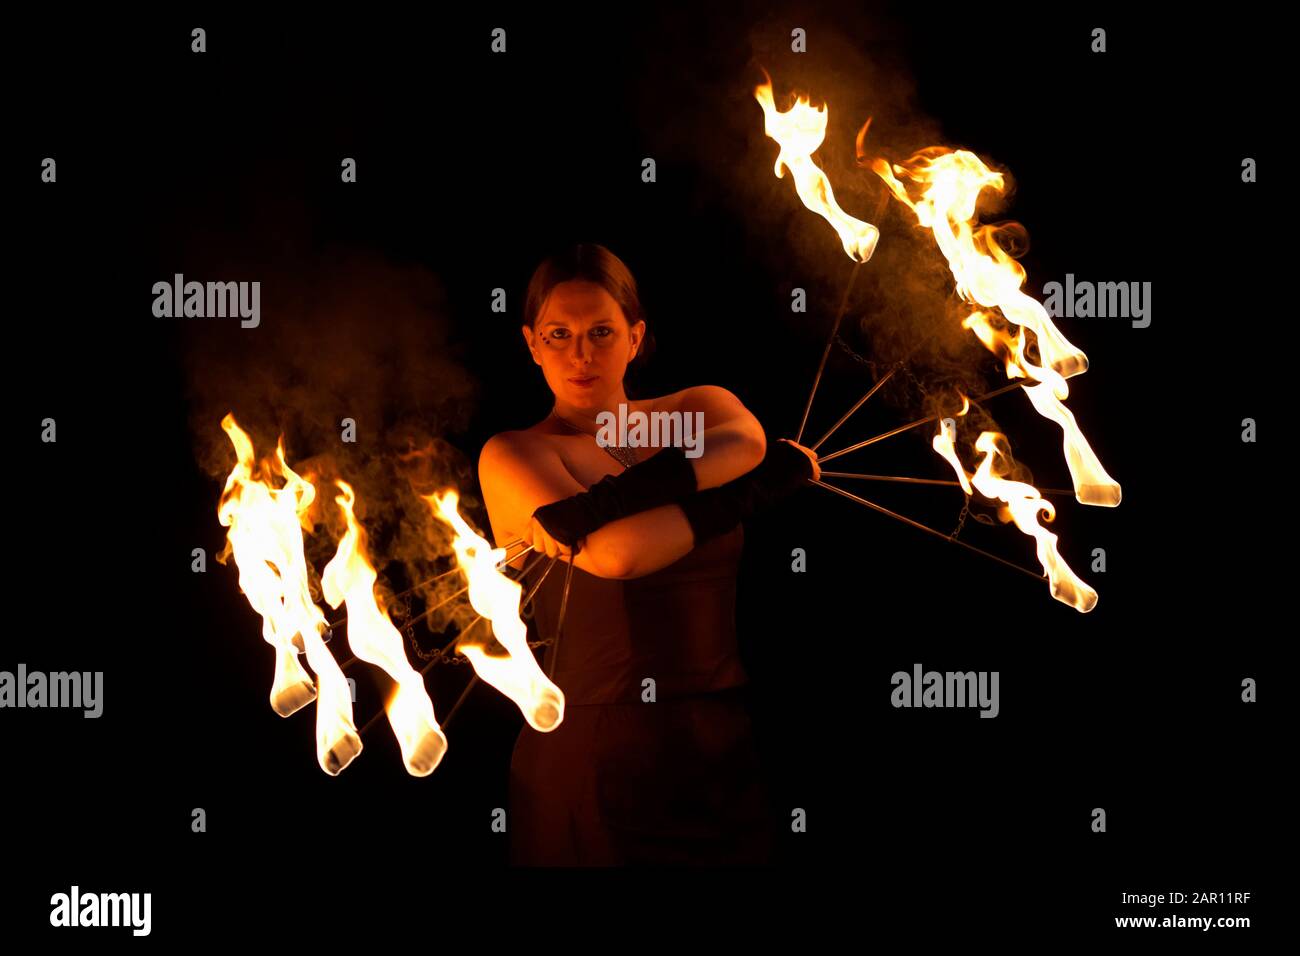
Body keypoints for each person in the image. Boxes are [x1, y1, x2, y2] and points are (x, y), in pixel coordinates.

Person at [477, 242, 819, 865]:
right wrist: (756, 490)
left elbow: (745, 442)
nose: (581, 354)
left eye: (602, 331)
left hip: (722, 746)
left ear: (635, 337)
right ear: (531, 342)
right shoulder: (517, 452)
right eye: (559, 334)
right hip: (594, 752)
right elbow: (620, 555)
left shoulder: (690, 411)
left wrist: (597, 501)